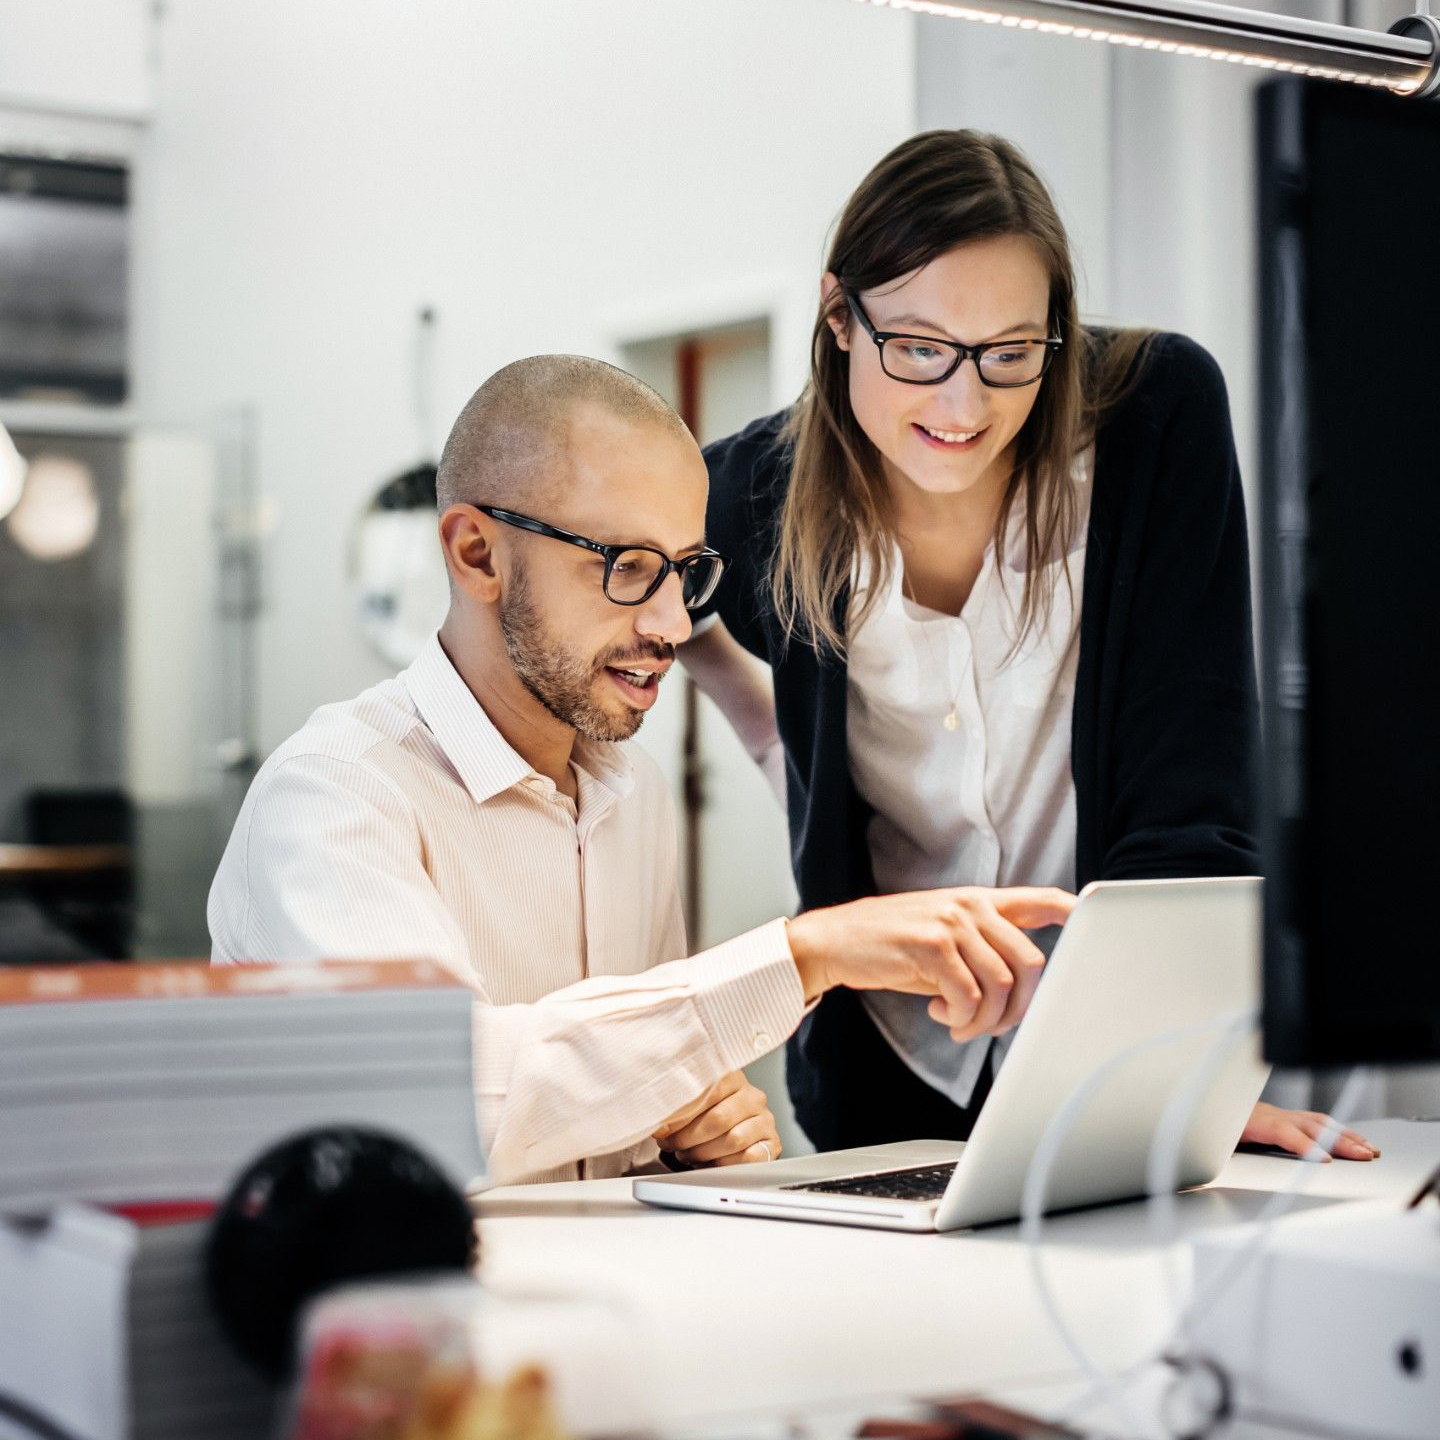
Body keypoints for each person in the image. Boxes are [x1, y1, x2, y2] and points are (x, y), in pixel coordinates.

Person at [208, 354, 1075, 1186]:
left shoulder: (634, 797)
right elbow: (446, 1110)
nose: (671, 623)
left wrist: (689, 1135)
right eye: (627, 567)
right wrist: (805, 954)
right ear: (477, 554)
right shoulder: (332, 796)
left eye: (686, 571)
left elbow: (614, 1108)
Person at [684, 129, 1376, 1165]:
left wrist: (1179, 1077)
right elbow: (638, 597)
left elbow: (1191, 792)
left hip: (1107, 1053)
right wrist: (777, 744)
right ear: (840, 315)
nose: (966, 407)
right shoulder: (752, 491)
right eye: (918, 349)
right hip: (884, 1064)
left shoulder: (1152, 419)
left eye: (1012, 354)